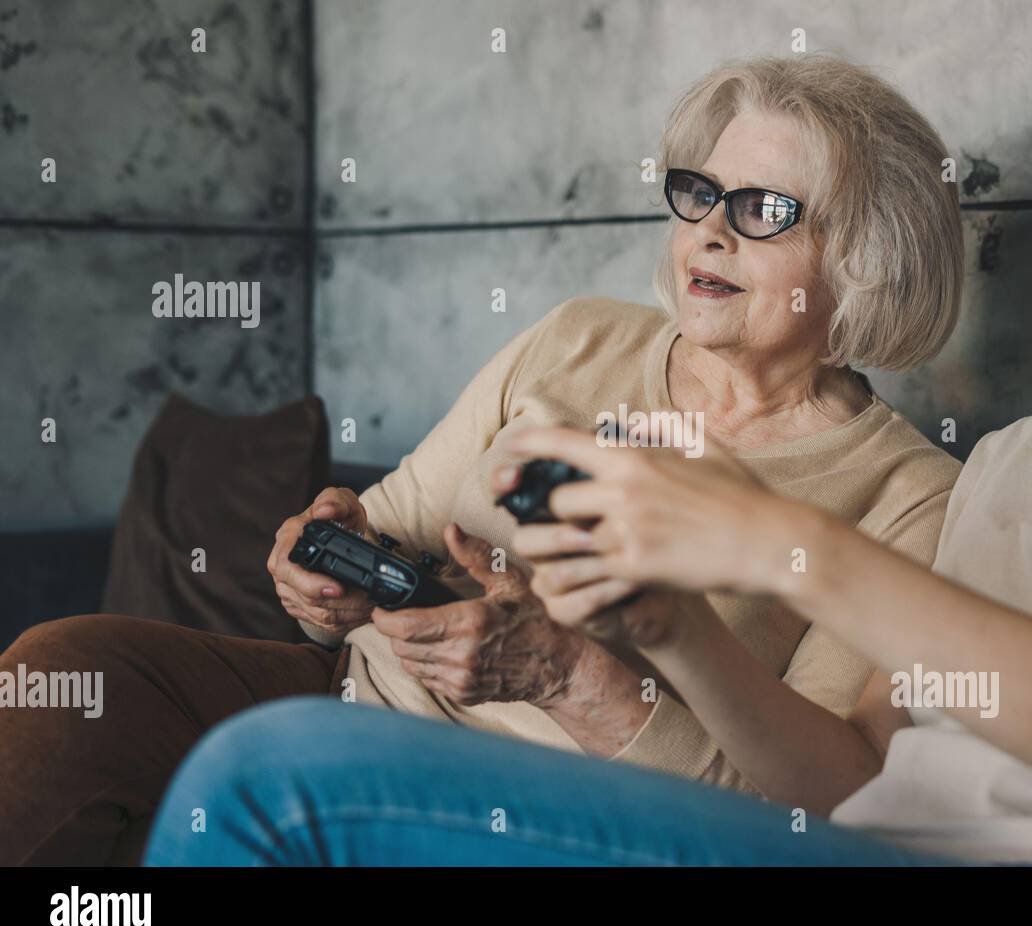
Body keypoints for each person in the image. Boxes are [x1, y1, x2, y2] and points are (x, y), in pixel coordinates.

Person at [144, 0, 1032, 868]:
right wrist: (674, 623)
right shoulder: (1023, 452)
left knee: (271, 775)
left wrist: (756, 541)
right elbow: (852, 777)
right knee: (95, 689)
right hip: (876, 836)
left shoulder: (940, 482)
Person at [1, 53, 964, 865]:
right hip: (351, 697)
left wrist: (565, 675)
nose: (709, 230)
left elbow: (817, 817)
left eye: (765, 209)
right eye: (702, 194)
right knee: (61, 676)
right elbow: (386, 519)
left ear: (865, 258)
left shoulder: (911, 497)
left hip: (571, 807)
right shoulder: (579, 336)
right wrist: (328, 561)